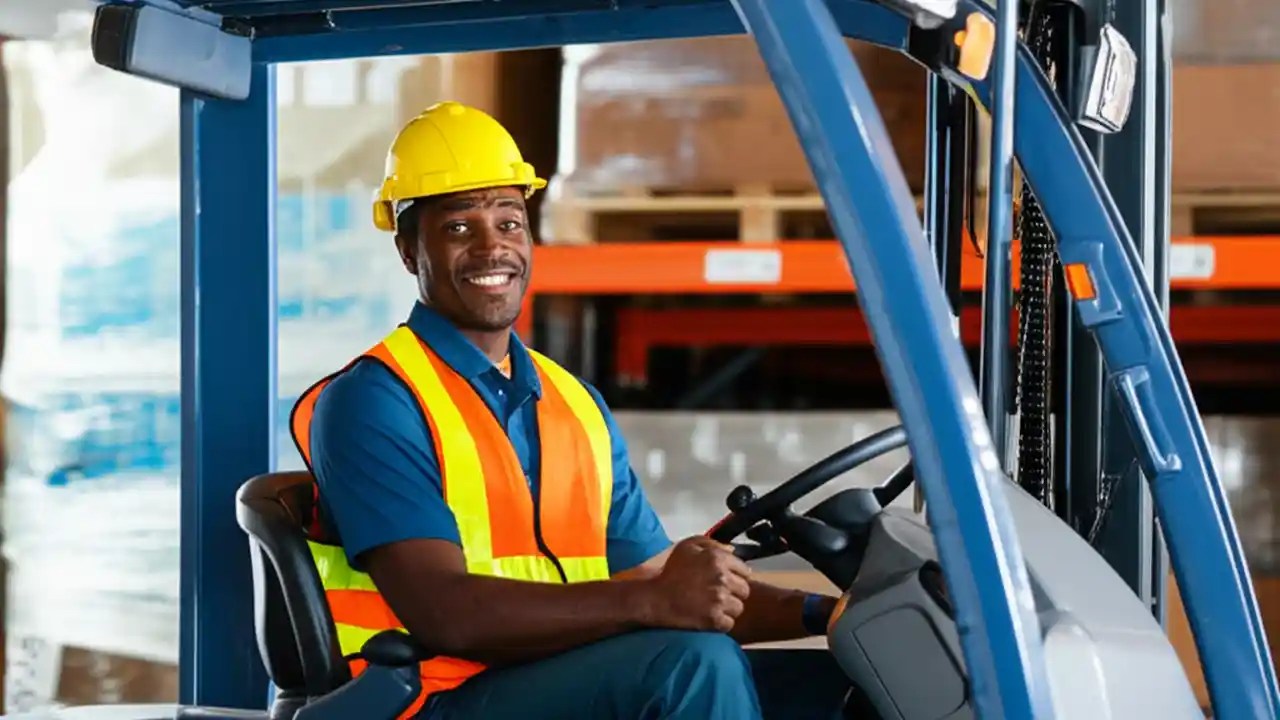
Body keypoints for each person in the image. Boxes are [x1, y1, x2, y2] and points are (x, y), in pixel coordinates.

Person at [289, 101, 854, 719]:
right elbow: (445, 613)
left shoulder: (574, 404)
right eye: (458, 228)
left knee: (843, 676)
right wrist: (649, 604)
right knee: (694, 665)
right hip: (431, 697)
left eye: (509, 222)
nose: (491, 248)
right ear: (406, 249)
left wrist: (826, 613)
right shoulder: (375, 402)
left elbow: (662, 584)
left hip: (550, 675)